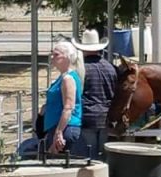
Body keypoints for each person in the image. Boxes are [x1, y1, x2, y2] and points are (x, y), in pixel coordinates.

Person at [70, 29, 118, 159]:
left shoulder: (81, 69)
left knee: (87, 156)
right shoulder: (110, 67)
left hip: (87, 116)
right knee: (103, 156)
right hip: (106, 116)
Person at [44, 40, 84, 153]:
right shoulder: (63, 77)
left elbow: (68, 107)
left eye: (56, 54)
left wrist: (59, 132)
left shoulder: (68, 79)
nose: (52, 57)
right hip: (59, 126)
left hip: (65, 128)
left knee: (58, 161)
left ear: (67, 57)